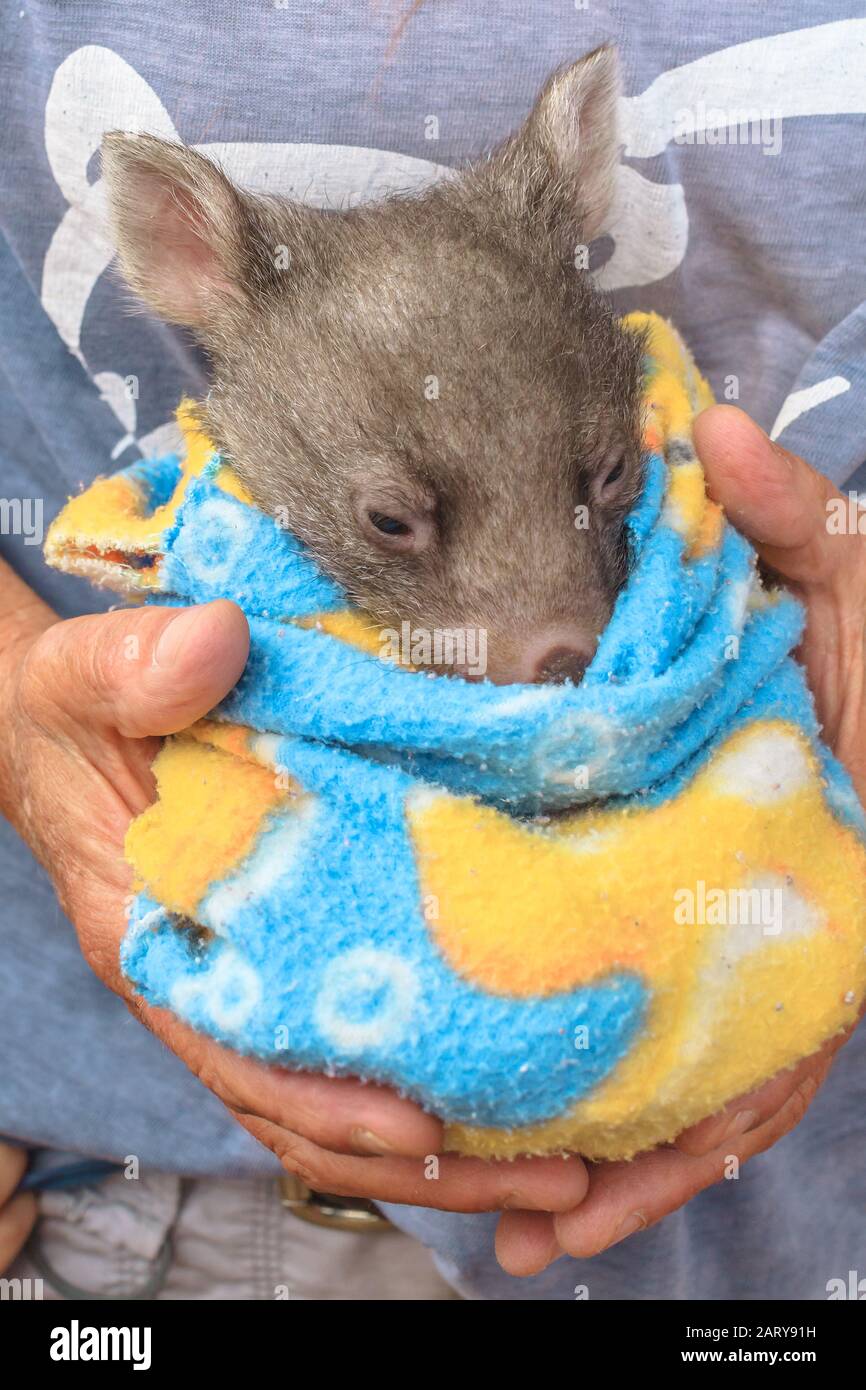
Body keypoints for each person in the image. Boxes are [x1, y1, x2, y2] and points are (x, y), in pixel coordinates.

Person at [1, 2, 864, 1300]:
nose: (542, 644)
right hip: (122, 1171)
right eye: (396, 523)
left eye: (601, 476)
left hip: (790, 1190)